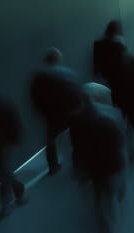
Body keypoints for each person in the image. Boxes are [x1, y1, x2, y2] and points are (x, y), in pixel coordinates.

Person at [69, 100, 126, 233]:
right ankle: (115, 204)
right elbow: (119, 142)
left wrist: (78, 170)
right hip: (114, 165)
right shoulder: (108, 122)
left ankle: (104, 219)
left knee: (100, 193)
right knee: (112, 192)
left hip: (95, 169)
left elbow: (76, 151)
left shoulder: (76, 129)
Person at [31, 47, 86, 175]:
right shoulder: (69, 72)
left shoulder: (40, 77)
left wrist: (44, 112)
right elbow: (78, 92)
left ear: (46, 61)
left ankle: (53, 167)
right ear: (59, 59)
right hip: (72, 111)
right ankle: (78, 163)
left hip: (53, 115)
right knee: (76, 137)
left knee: (51, 141)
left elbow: (36, 96)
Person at [0, 88, 27, 220]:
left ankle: (6, 205)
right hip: (1, 139)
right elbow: (11, 111)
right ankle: (17, 187)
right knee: (2, 170)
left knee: (1, 171)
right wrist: (16, 135)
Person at [93, 20, 127, 85]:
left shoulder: (98, 44)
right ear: (115, 31)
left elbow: (96, 61)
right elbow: (124, 56)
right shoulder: (117, 44)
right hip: (117, 72)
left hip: (106, 74)